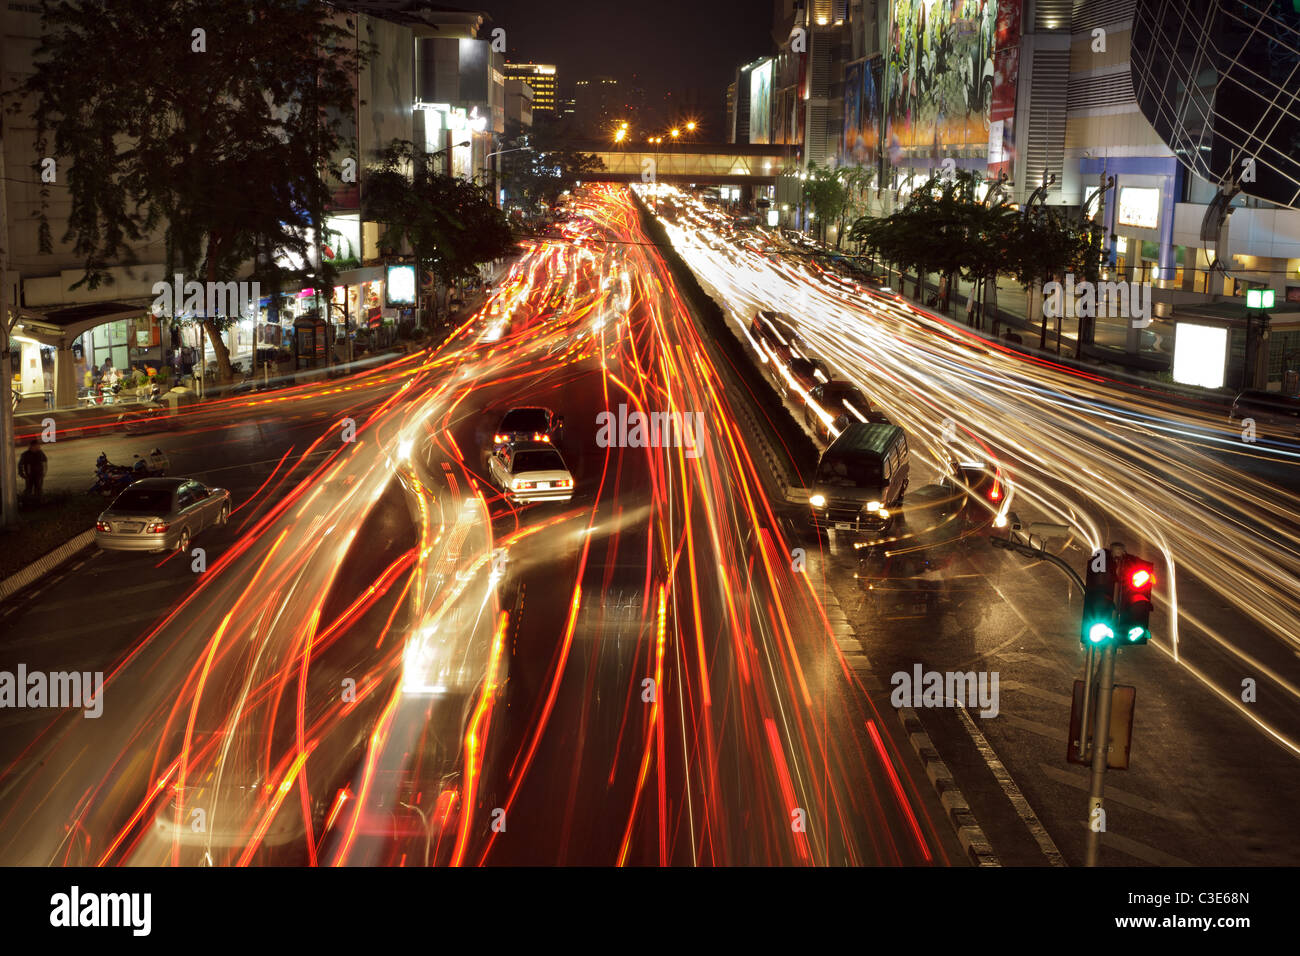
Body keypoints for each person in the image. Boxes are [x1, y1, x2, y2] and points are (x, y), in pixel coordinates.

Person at [18, 440, 48, 505]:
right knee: (29, 490)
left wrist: (44, 473)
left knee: (38, 489)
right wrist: (22, 474)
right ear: (32, 446)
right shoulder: (25, 454)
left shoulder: (40, 453)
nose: (39, 447)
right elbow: (20, 465)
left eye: (38, 446)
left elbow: (45, 463)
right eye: (37, 446)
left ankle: (38, 503)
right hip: (29, 475)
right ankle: (27, 503)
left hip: (38, 475)